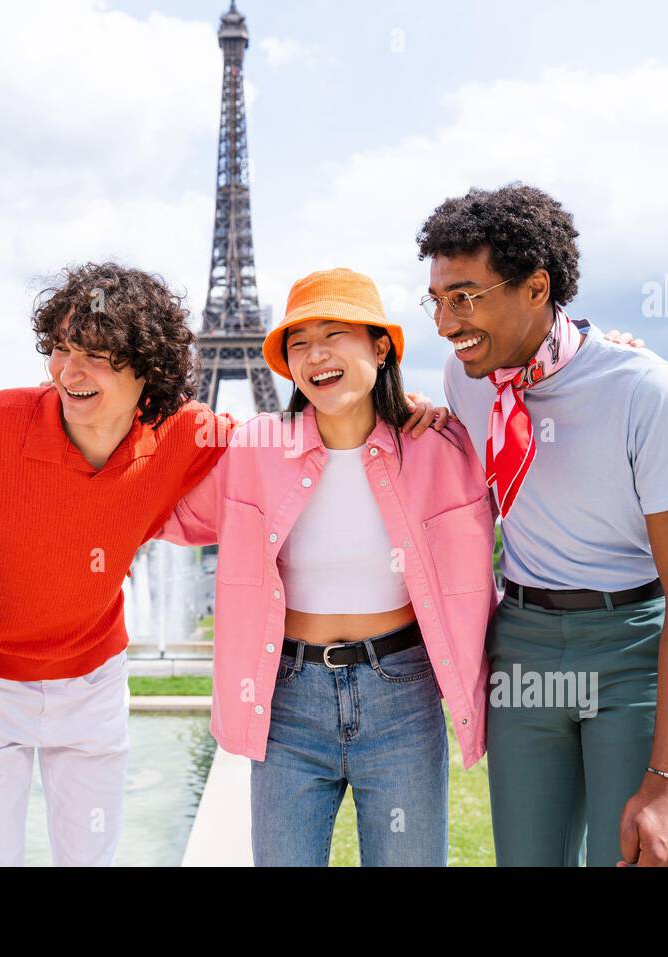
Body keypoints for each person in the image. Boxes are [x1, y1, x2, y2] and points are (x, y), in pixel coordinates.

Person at [0, 262, 450, 866]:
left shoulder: (193, 433)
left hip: (93, 687)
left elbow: (311, 429)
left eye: (100, 356)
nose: (72, 372)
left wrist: (397, 406)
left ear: (149, 370)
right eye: (63, 349)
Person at [419, 183, 668, 867]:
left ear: (536, 288)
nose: (444, 321)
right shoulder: (465, 377)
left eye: (464, 296)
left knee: (633, 853)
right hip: (523, 646)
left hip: (630, 652)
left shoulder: (646, 392)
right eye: (435, 299)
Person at [158, 268, 494, 866]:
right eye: (299, 342)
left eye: (335, 334)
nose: (316, 355)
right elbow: (171, 516)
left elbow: (541, 460)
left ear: (380, 345)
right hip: (288, 702)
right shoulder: (253, 449)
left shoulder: (441, 447)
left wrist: (596, 352)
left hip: (401, 696)